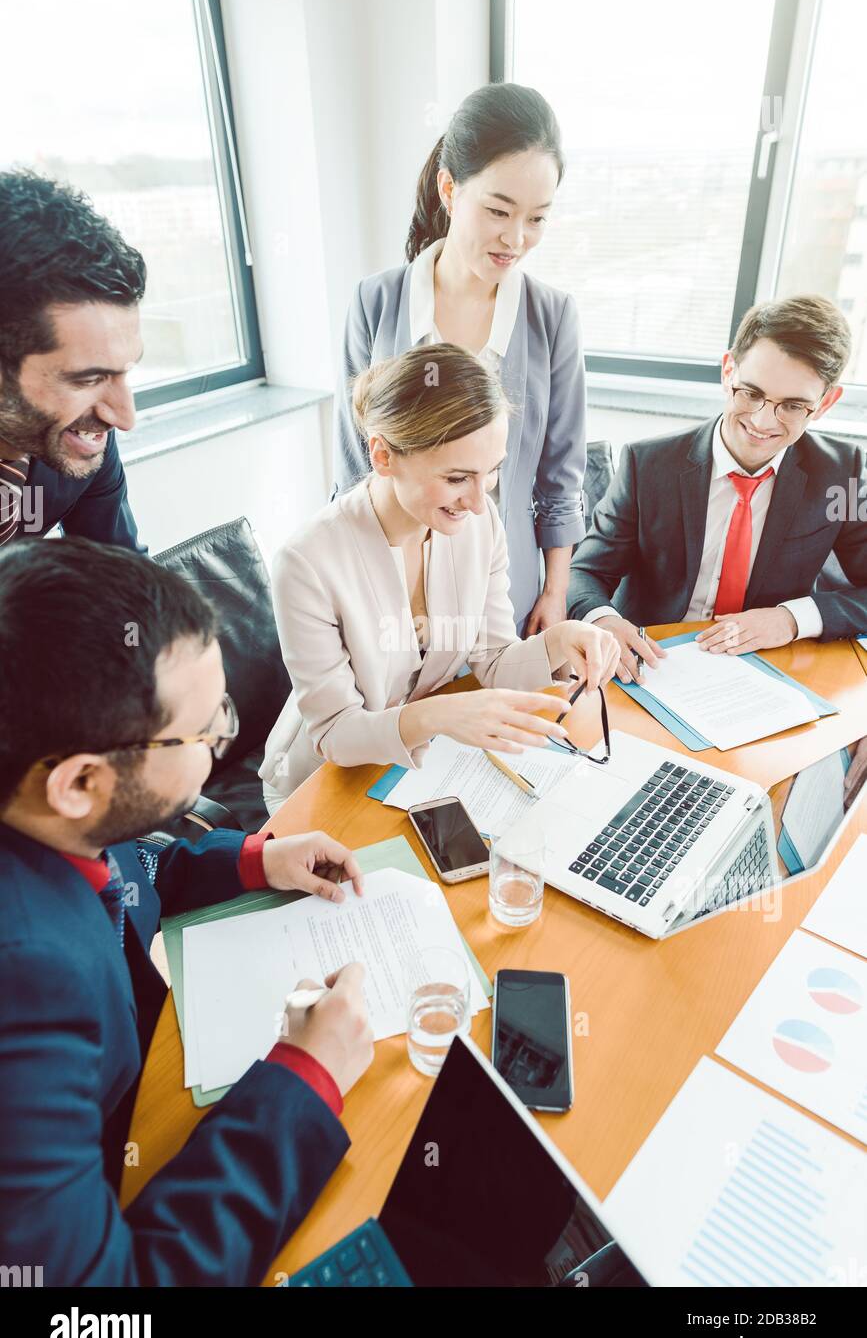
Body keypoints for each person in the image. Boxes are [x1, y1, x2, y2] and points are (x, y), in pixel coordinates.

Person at [0, 537, 374, 1286]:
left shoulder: (44, 811)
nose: (220, 747)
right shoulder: (25, 984)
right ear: (78, 782)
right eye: (205, 734)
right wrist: (307, 1077)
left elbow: (129, 866)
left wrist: (252, 859)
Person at [261, 344, 619, 811]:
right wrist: (438, 716)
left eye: (490, 472)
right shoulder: (306, 562)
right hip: (323, 781)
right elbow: (333, 732)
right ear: (383, 456)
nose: (476, 501)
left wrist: (562, 641)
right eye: (456, 478)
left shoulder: (480, 522)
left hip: (424, 763)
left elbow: (492, 658)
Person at [331, 82, 586, 637]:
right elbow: (353, 467)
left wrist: (555, 591)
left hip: (505, 596)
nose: (515, 238)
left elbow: (560, 474)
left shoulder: (553, 317)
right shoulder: (376, 304)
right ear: (449, 189)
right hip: (390, 592)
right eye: (499, 210)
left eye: (537, 218)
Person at [567, 296, 867, 681]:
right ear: (728, 371)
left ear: (826, 402)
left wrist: (792, 619)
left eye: (793, 406)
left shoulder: (842, 474)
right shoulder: (648, 465)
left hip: (767, 670)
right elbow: (584, 572)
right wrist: (604, 620)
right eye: (751, 393)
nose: (762, 421)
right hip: (652, 662)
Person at [0, 170, 145, 551]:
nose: (124, 417)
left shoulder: (79, 436)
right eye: (87, 379)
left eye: (125, 371)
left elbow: (121, 580)